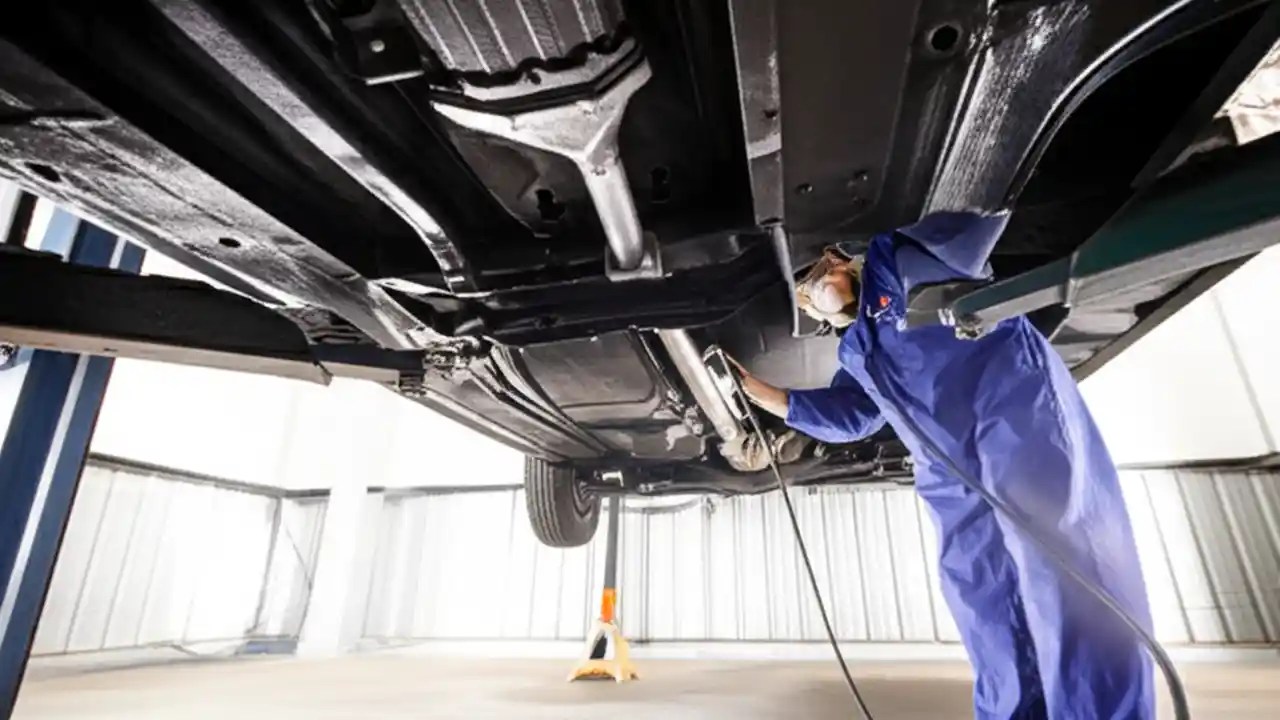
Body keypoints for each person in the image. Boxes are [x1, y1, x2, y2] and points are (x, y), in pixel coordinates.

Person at [733, 212, 1154, 719]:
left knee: (1065, 570)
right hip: (947, 473)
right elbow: (856, 417)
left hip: (1012, 419)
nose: (811, 302)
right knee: (984, 597)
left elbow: (976, 217)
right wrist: (766, 396)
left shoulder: (905, 261)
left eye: (808, 288)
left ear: (836, 261)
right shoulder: (858, 348)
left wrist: (889, 238)